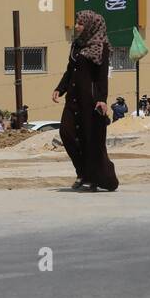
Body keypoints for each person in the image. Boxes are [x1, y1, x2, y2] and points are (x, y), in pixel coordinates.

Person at [52, 10, 119, 192]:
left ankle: (94, 178)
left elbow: (102, 76)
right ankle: (82, 172)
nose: (76, 26)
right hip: (73, 99)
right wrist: (60, 88)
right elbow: (70, 69)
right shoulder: (77, 45)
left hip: (90, 102)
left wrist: (101, 100)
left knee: (90, 140)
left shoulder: (101, 47)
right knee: (66, 133)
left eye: (80, 23)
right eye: (77, 22)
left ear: (91, 25)